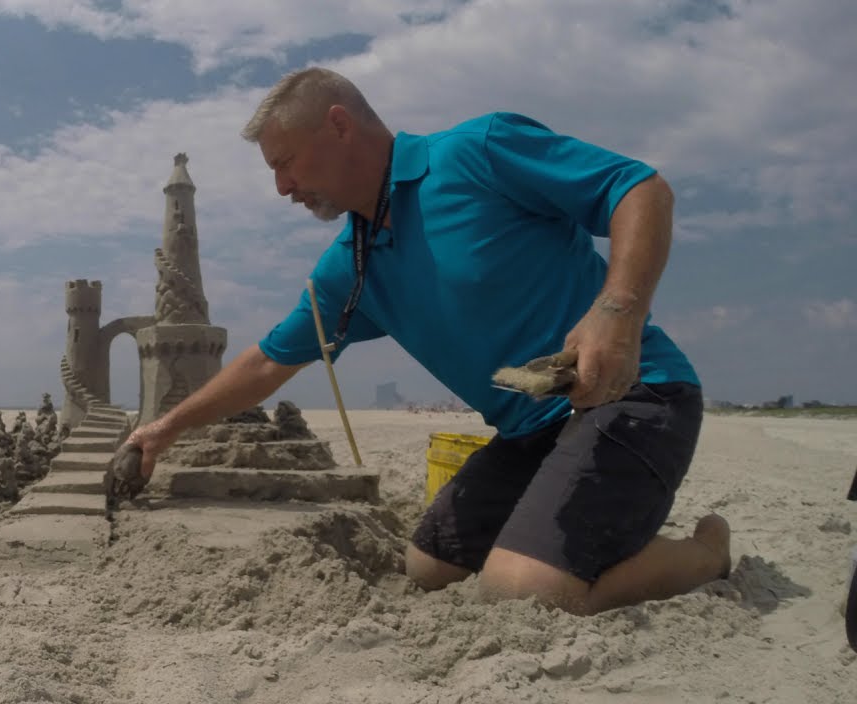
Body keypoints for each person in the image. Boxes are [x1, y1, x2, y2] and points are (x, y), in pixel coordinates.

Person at [122, 66, 731, 616]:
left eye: (285, 163)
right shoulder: (350, 268)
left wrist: (618, 310)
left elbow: (639, 188)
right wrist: (163, 430)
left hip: (633, 397)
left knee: (523, 591)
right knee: (429, 568)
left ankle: (705, 554)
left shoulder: (477, 153)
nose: (282, 187)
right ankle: (583, 541)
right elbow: (264, 365)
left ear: (338, 126)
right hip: (528, 433)